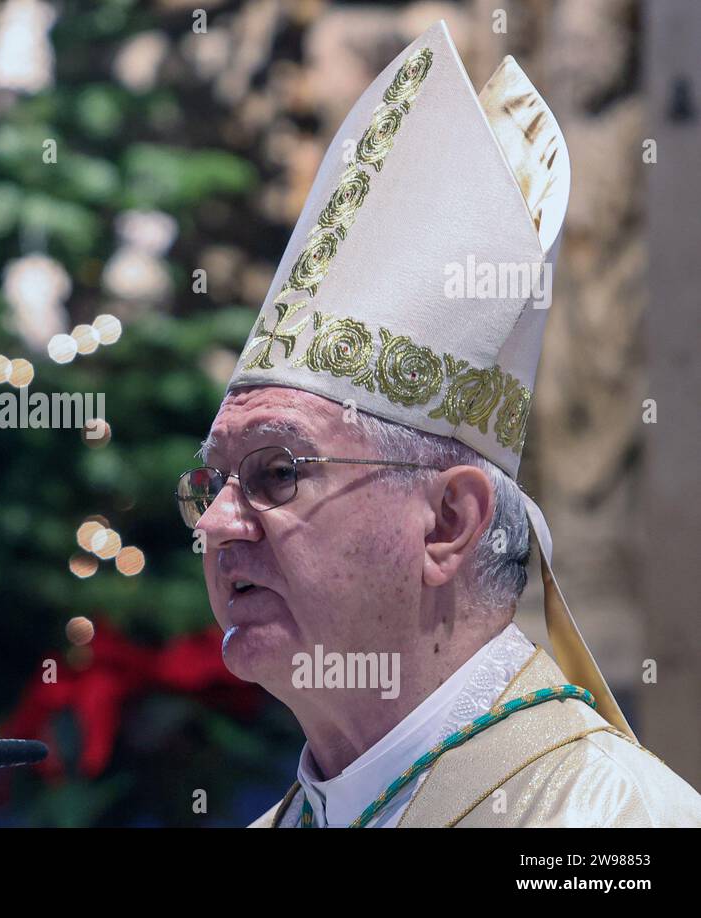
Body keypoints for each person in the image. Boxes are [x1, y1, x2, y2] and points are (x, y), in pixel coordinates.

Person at [176, 21, 701, 827]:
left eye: (276, 472)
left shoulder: (610, 826)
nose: (215, 521)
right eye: (213, 481)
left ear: (450, 522)